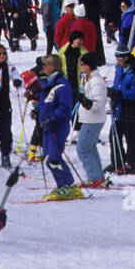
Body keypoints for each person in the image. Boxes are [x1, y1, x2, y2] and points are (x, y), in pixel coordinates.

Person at [36, 55, 83, 200]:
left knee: (54, 158)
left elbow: (64, 107)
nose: (43, 67)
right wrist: (37, 110)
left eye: (45, 65)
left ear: (52, 66)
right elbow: (46, 103)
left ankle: (68, 185)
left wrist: (53, 118)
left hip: (58, 126)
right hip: (47, 126)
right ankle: (61, 185)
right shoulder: (47, 83)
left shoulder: (62, 85)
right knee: (48, 158)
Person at [109, 45, 135, 174]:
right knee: (114, 135)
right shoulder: (119, 69)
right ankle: (117, 161)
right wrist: (113, 92)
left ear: (126, 57)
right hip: (119, 107)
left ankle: (134, 162)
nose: (118, 60)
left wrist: (120, 93)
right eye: (117, 57)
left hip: (131, 107)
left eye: (120, 57)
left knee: (131, 136)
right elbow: (117, 85)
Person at [73, 52, 109, 187]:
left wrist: (85, 101)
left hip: (93, 119)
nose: (80, 67)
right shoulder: (86, 78)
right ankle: (98, 176)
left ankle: (94, 177)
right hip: (88, 119)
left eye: (82, 64)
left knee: (83, 148)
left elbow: (98, 104)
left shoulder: (96, 81)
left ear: (89, 66)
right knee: (90, 147)